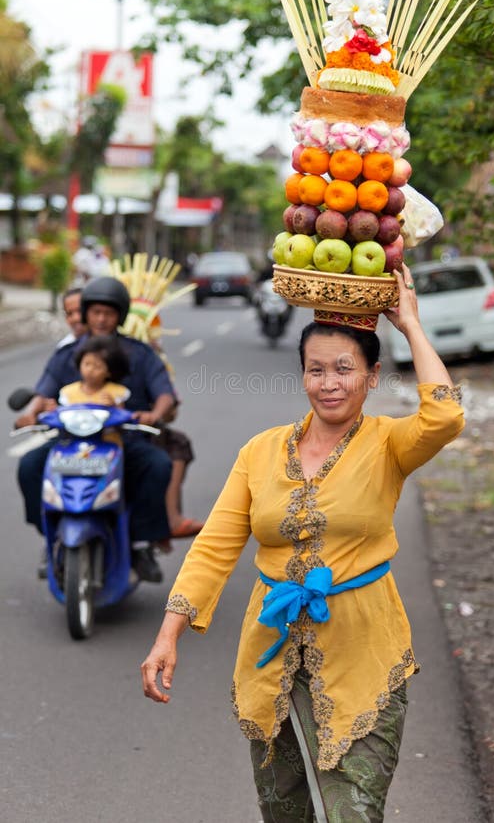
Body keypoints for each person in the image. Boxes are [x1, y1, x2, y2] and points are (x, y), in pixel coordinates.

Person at [140, 264, 465, 822]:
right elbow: (216, 546)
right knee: (284, 812)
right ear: (302, 376)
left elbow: (445, 416)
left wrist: (410, 322)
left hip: (364, 646)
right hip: (272, 650)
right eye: (316, 369)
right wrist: (169, 634)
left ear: (371, 375)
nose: (329, 382)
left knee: (354, 812)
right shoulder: (259, 451)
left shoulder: (388, 443)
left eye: (345, 369)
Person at [15, 276, 176, 583]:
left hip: (123, 442)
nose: (101, 319)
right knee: (29, 466)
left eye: (109, 313)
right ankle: (50, 534)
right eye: (95, 312)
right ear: (85, 313)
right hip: (70, 443)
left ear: (120, 316)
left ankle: (141, 544)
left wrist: (154, 413)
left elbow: (164, 394)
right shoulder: (66, 354)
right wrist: (30, 414)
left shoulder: (141, 354)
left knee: (158, 465)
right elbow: (42, 394)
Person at [58, 335, 131, 408]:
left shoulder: (117, 392)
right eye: (87, 364)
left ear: (109, 372)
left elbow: (122, 416)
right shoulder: (68, 392)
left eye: (97, 366)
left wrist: (113, 406)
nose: (90, 370)